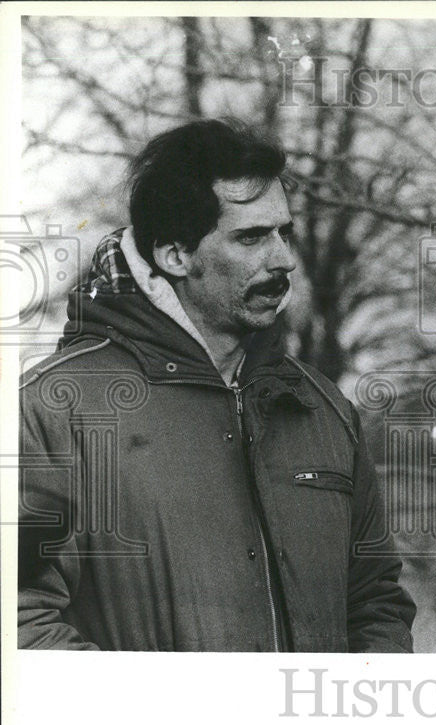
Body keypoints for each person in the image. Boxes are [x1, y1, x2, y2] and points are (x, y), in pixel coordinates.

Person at [19, 119, 416, 651]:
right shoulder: (50, 410)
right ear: (175, 255)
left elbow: (376, 602)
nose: (284, 259)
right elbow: (22, 624)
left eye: (284, 232)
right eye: (251, 237)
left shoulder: (322, 409)